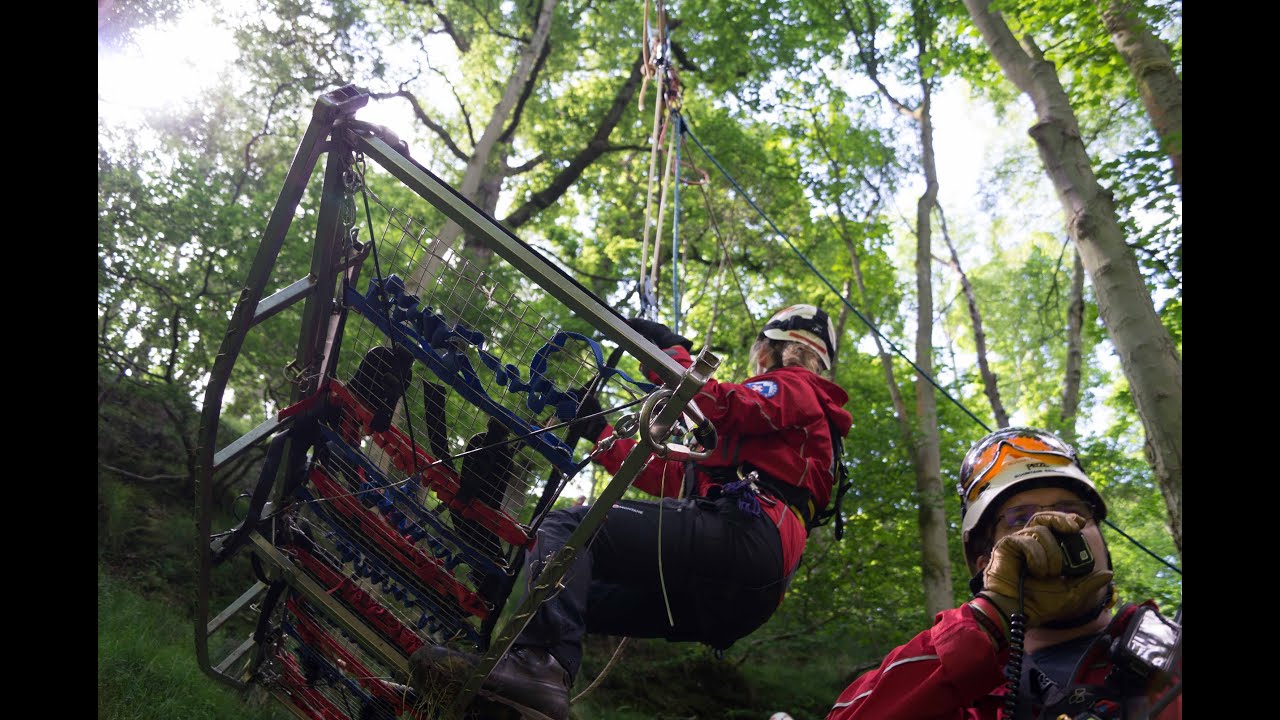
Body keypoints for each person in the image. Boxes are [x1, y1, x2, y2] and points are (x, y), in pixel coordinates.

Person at [411, 304, 853, 720]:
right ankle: (516, 696)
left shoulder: (793, 385)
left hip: (747, 534)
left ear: (772, 348)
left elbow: (715, 404)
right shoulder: (784, 439)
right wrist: (598, 429)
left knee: (571, 527)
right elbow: (671, 475)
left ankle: (538, 668)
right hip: (745, 589)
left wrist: (667, 348)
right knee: (574, 593)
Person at [826, 427, 1182, 719]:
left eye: (1070, 509)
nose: (1054, 525)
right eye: (1020, 519)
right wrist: (992, 614)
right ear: (985, 565)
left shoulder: (1173, 658)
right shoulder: (965, 696)